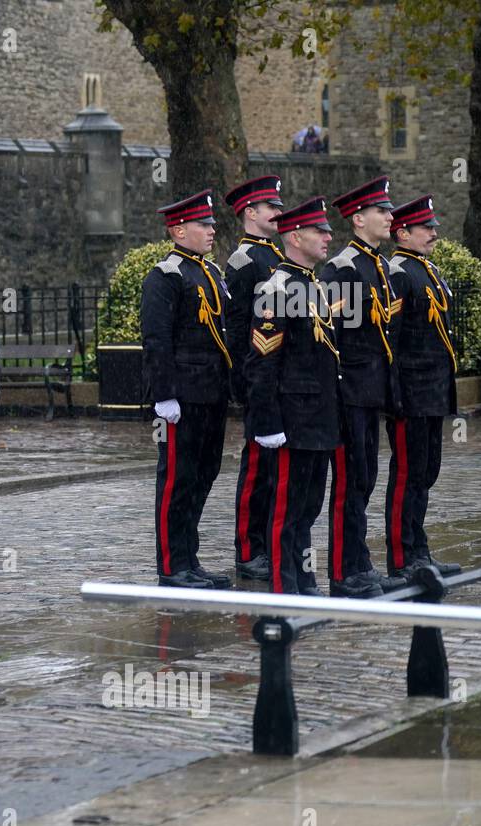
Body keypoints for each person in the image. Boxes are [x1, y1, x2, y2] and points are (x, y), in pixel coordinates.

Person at [246, 197, 340, 595]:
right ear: (295, 235)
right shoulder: (277, 288)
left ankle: (304, 579)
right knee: (287, 510)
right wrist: (267, 422)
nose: (328, 236)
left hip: (318, 416)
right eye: (320, 230)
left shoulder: (314, 285)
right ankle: (286, 589)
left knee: (308, 508)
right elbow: (263, 363)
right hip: (292, 419)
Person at [139, 190, 232, 589]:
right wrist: (164, 394)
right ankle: (172, 564)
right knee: (177, 479)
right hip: (183, 395)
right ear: (179, 229)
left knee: (203, 475)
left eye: (211, 223)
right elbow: (156, 340)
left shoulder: (210, 273)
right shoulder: (166, 277)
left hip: (211, 393)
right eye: (204, 224)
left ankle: (189, 558)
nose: (212, 230)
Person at [322, 176, 407, 598]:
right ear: (358, 218)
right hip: (348, 392)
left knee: (365, 479)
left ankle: (359, 563)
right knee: (348, 482)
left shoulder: (376, 266)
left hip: (371, 389)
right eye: (382, 211)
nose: (390, 217)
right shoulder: (341, 268)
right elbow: (331, 336)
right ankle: (342, 572)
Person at [384, 195, 462, 580]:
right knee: (407, 475)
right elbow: (391, 341)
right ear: (403, 233)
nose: (434, 233)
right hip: (411, 394)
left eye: (432, 226)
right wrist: (395, 394)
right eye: (425, 228)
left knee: (426, 472)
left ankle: (419, 549)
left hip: (432, 392)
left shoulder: (425, 269)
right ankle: (401, 557)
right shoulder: (398, 271)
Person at [223, 175, 285, 581]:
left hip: (282, 377)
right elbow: (237, 327)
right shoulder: (244, 261)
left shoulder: (274, 255)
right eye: (272, 208)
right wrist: (246, 380)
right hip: (258, 376)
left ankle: (269, 543)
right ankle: (249, 548)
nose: (280, 213)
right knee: (257, 467)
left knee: (277, 468)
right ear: (250, 213)